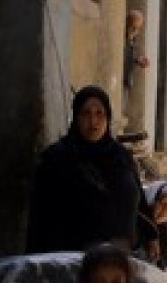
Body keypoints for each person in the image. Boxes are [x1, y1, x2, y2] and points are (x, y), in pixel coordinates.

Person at [27, 86, 151, 254]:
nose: (93, 121)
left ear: (108, 118)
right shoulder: (56, 159)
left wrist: (151, 236)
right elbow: (40, 219)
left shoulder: (121, 157)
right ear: (76, 118)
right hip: (72, 260)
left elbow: (138, 198)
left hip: (118, 260)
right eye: (86, 114)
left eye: (100, 114)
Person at [123, 10, 151, 91]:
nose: (136, 31)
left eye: (138, 29)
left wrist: (138, 60)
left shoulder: (132, 41)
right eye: (134, 28)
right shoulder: (124, 40)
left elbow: (130, 57)